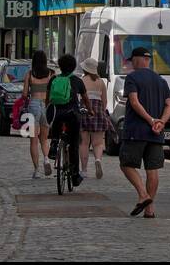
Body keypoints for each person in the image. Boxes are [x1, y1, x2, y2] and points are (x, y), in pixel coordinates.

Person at [120, 46, 170, 218]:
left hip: (136, 130)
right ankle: (150, 209)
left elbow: (134, 102)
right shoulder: (160, 80)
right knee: (153, 169)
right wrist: (161, 122)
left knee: (126, 164)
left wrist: (151, 119)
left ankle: (143, 195)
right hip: (155, 133)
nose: (130, 64)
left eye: (132, 60)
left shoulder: (132, 77)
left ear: (137, 59)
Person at [46, 53, 94, 187]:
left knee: (56, 125)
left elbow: (48, 99)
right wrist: (90, 111)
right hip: (72, 114)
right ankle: (74, 176)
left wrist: (49, 110)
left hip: (56, 113)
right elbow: (86, 99)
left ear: (60, 66)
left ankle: (54, 144)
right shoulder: (77, 81)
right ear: (73, 67)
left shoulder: (53, 79)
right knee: (74, 144)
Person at [21, 50, 54, 179]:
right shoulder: (51, 74)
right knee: (44, 139)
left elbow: (24, 94)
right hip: (46, 105)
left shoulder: (29, 74)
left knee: (33, 140)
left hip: (33, 105)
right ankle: (46, 159)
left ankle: (36, 170)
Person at [78, 56, 110, 179]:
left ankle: (84, 170)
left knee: (84, 143)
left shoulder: (82, 80)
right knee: (98, 143)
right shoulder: (101, 82)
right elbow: (105, 101)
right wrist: (100, 112)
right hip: (98, 111)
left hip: (84, 110)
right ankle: (98, 160)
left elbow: (78, 98)